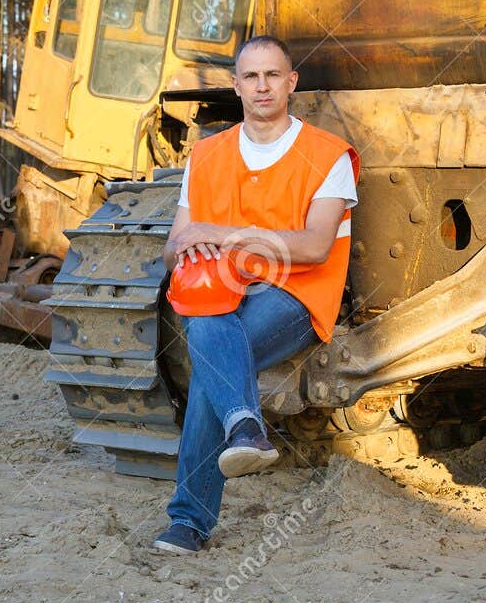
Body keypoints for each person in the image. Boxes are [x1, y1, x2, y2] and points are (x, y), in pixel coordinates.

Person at [152, 35, 358, 555]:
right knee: (211, 329)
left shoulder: (327, 154)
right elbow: (171, 252)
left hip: (296, 293)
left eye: (272, 75)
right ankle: (245, 428)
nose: (262, 85)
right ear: (237, 86)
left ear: (291, 82)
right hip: (219, 292)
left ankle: (189, 520)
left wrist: (223, 235)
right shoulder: (206, 156)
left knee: (211, 357)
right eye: (251, 76)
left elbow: (314, 247)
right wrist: (187, 244)